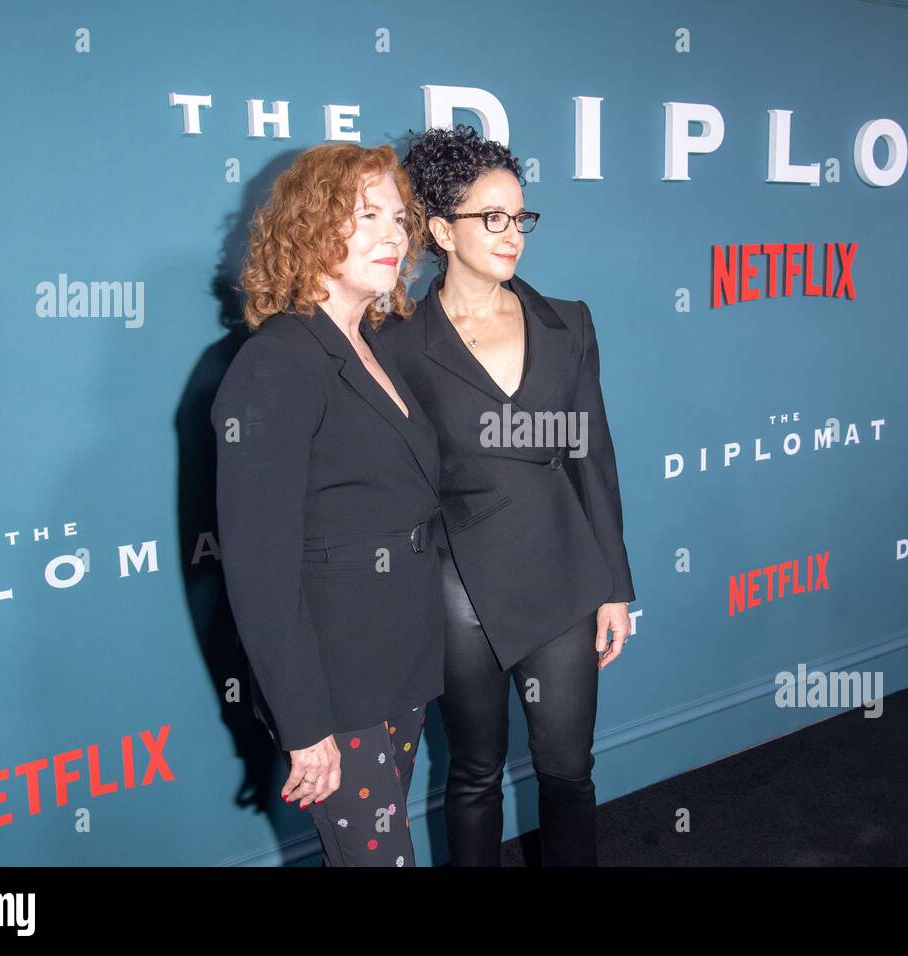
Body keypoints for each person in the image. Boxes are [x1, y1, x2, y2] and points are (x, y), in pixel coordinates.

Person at [376, 125, 635, 866]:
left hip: (561, 570)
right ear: (438, 230)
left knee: (568, 769)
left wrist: (613, 586)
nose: (512, 232)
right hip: (460, 587)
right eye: (490, 217)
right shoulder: (396, 343)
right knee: (474, 774)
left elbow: (594, 458)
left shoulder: (569, 323)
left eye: (520, 216)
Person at [211, 142, 444, 867]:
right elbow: (259, 566)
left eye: (399, 219)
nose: (393, 236)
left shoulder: (376, 342)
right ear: (309, 227)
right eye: (365, 215)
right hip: (334, 682)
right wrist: (304, 722)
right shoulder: (278, 360)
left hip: (399, 659)